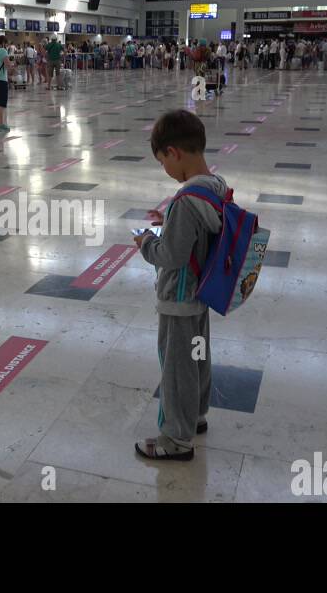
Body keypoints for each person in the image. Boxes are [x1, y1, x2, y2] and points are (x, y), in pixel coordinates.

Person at [133, 109, 227, 461]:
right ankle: (196, 416)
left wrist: (145, 243)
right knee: (198, 358)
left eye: (162, 162)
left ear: (174, 152)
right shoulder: (213, 186)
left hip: (178, 299)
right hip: (201, 295)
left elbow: (170, 255)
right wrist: (168, 221)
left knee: (175, 368)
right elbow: (195, 233)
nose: (165, 170)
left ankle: (175, 438)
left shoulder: (186, 201)